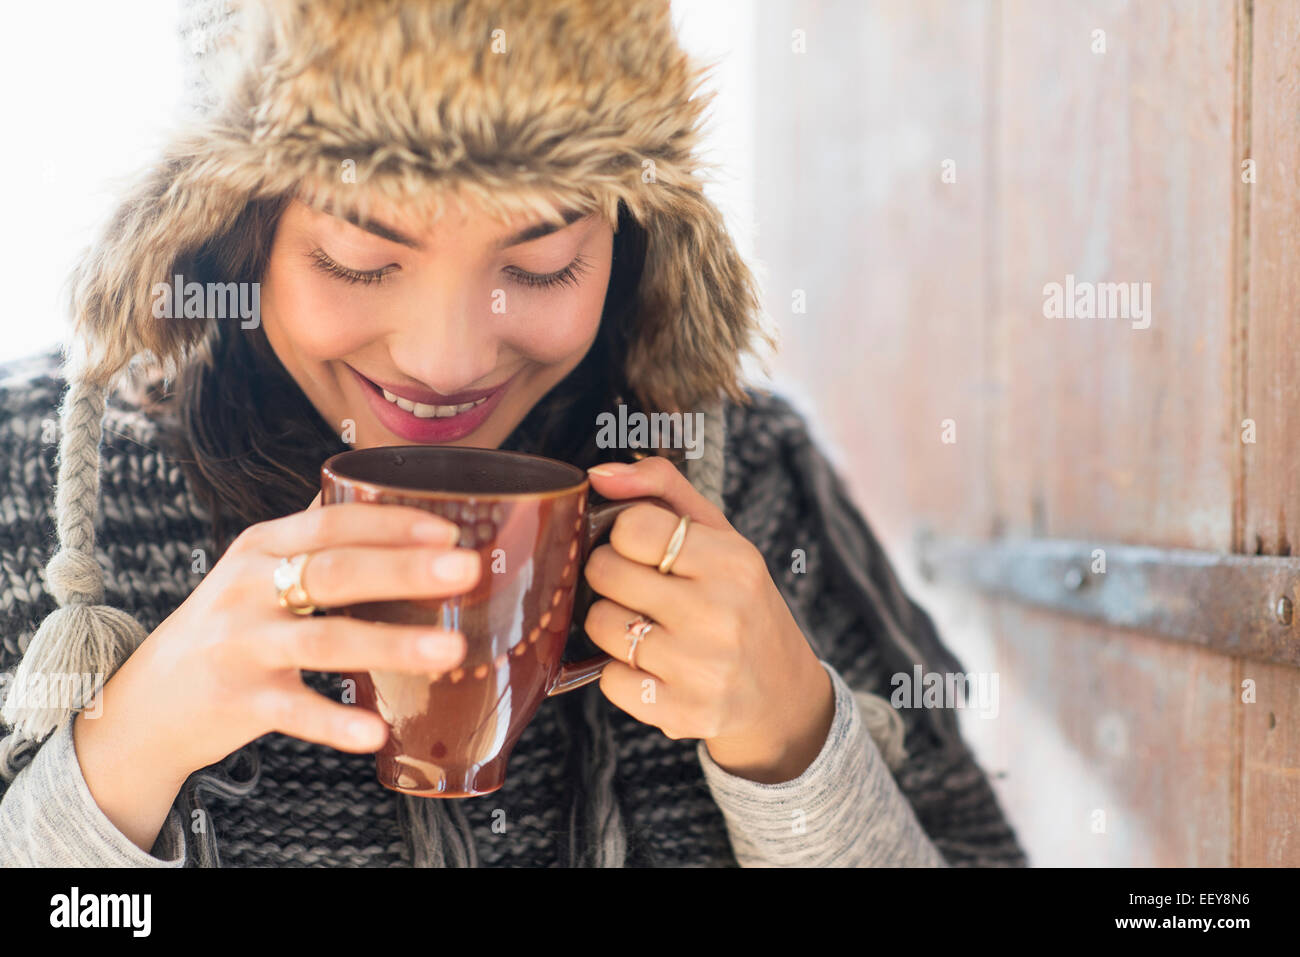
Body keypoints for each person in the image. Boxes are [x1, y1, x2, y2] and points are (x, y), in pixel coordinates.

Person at [0, 0, 1026, 867]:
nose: (446, 362)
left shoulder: (743, 480)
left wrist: (794, 746)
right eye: (360, 258)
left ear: (628, 241)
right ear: (229, 228)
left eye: (541, 267)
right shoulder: (29, 471)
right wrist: (121, 758)